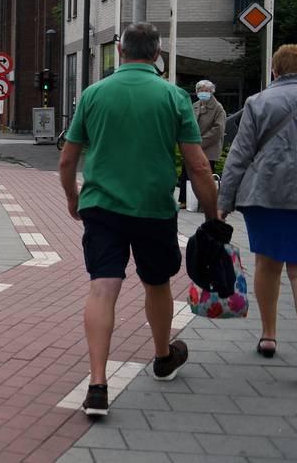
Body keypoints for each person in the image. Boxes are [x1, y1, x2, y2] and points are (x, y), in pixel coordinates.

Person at [59, 22, 220, 417]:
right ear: (157, 53)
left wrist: (72, 198)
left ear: (120, 50)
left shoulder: (94, 94)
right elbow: (198, 165)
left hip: (101, 206)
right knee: (157, 282)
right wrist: (213, 214)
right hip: (153, 207)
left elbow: (67, 157)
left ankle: (97, 384)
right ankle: (164, 356)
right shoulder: (173, 96)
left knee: (102, 287)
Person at [218, 44, 297, 386]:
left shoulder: (257, 103)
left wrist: (224, 201)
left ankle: (268, 335)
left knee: (267, 264)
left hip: (263, 194)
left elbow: (239, 155)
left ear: (274, 72)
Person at [178, 80, 227, 206]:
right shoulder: (194, 105)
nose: (203, 93)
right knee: (186, 171)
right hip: (192, 146)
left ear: (211, 92)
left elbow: (218, 129)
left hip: (208, 147)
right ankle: (184, 200)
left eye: (206, 90)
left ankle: (204, 201)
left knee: (206, 174)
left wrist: (200, 142)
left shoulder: (218, 108)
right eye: (201, 90)